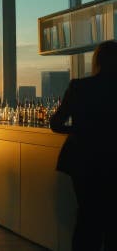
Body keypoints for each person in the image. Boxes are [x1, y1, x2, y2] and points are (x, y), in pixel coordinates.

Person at [51, 40, 117, 250]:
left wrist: (79, 129)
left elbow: (56, 123)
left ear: (97, 61)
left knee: (87, 216)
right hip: (112, 159)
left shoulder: (79, 87)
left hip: (82, 159)